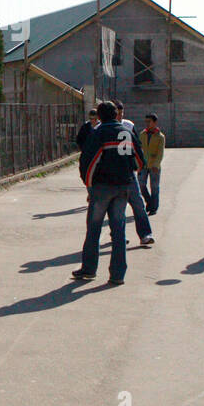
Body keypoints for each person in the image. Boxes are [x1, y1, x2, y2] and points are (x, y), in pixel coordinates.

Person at [75, 100, 145, 285]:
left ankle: (89, 270)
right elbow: (139, 161)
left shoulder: (99, 133)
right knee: (119, 230)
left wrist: (90, 186)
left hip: (102, 187)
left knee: (94, 229)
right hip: (123, 187)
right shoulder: (127, 132)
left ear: (99, 116)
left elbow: (88, 162)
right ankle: (117, 274)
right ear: (116, 115)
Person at [115, 101, 155, 245]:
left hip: (129, 173)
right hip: (113, 176)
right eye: (117, 113)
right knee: (118, 208)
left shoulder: (129, 126)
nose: (120, 116)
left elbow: (137, 146)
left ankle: (145, 234)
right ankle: (119, 235)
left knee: (138, 205)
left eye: (121, 113)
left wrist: (139, 165)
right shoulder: (103, 129)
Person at [139, 114, 165, 215]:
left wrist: (156, 164)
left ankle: (153, 208)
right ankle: (149, 202)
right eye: (146, 121)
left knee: (154, 187)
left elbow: (160, 152)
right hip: (143, 165)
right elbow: (139, 149)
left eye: (149, 121)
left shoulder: (160, 137)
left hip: (154, 165)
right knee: (141, 185)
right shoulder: (142, 134)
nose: (147, 123)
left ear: (155, 122)